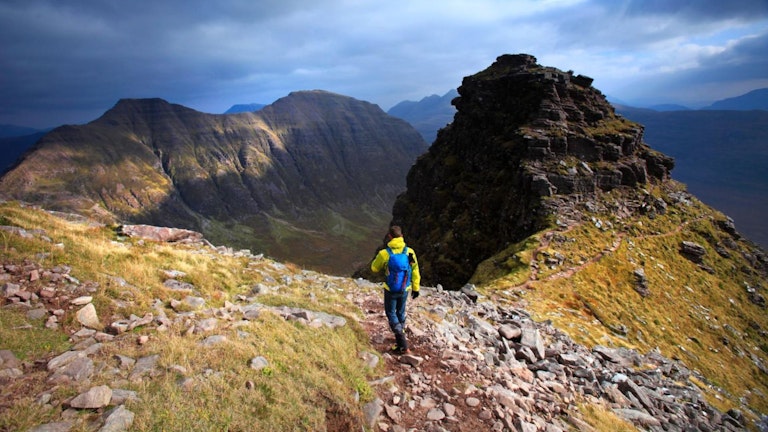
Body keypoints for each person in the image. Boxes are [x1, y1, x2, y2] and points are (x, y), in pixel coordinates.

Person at [370, 225, 420, 354]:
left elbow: (374, 268)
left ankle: (403, 343)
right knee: (400, 313)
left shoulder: (384, 253)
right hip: (405, 288)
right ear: (401, 236)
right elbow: (415, 270)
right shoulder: (410, 252)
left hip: (390, 289)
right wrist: (416, 288)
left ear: (389, 236)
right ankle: (400, 343)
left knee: (391, 313)